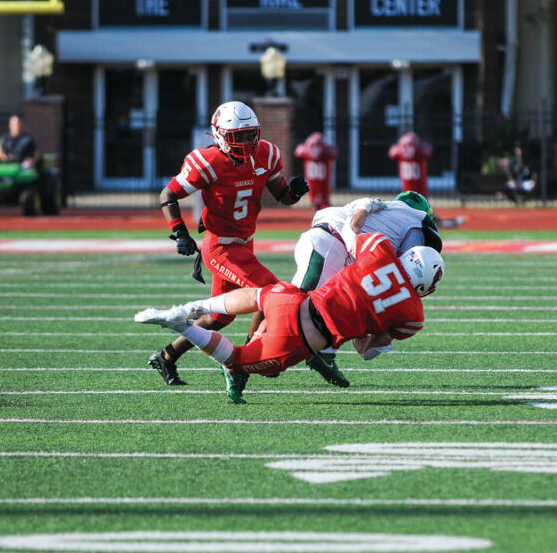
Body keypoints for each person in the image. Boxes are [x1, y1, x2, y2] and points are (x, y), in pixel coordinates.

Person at [136, 232, 444, 404]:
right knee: (237, 360)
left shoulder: (381, 248)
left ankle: (192, 307)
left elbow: (354, 233)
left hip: (296, 299)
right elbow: (366, 350)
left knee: (261, 294)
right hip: (302, 338)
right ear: (425, 286)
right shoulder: (413, 316)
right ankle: (182, 326)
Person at [148, 100, 309, 387]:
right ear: (220, 135)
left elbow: (282, 195)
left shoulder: (267, 154)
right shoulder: (207, 162)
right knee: (270, 292)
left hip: (245, 244)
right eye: (239, 137)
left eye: (251, 134)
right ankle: (249, 359)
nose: (247, 143)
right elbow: (168, 194)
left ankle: (167, 356)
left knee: (218, 319)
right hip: (221, 247)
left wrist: (294, 194)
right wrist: (179, 232)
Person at [291, 191, 443, 384]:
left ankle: (324, 352)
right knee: (293, 301)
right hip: (332, 244)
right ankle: (257, 346)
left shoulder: (381, 211)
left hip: (336, 244)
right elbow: (409, 267)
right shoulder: (415, 219)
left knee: (340, 306)